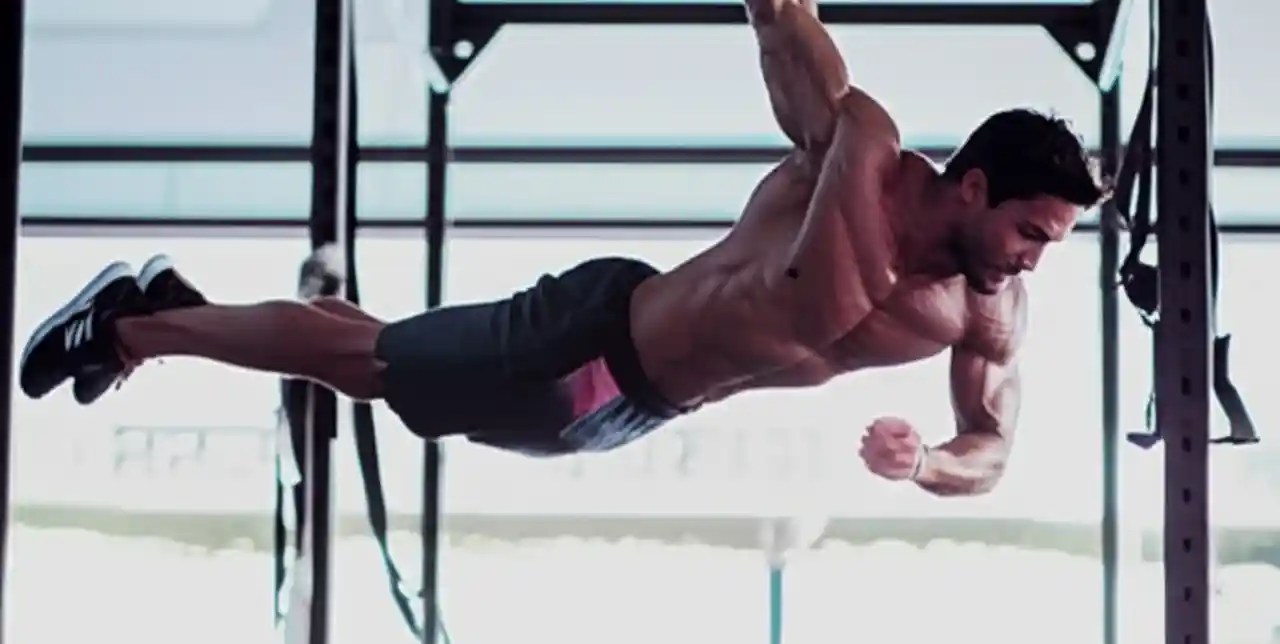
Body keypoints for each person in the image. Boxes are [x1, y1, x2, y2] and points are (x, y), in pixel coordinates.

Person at [17, 0, 1106, 497]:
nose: (1029, 260)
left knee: (383, 354)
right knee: (366, 365)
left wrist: (923, 463)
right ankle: (130, 324)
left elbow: (991, 448)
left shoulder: (984, 315)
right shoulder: (854, 152)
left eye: (1049, 245)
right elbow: (778, 15)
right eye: (1026, 230)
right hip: (595, 337)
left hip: (629, 408)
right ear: (971, 183)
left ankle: (165, 300)